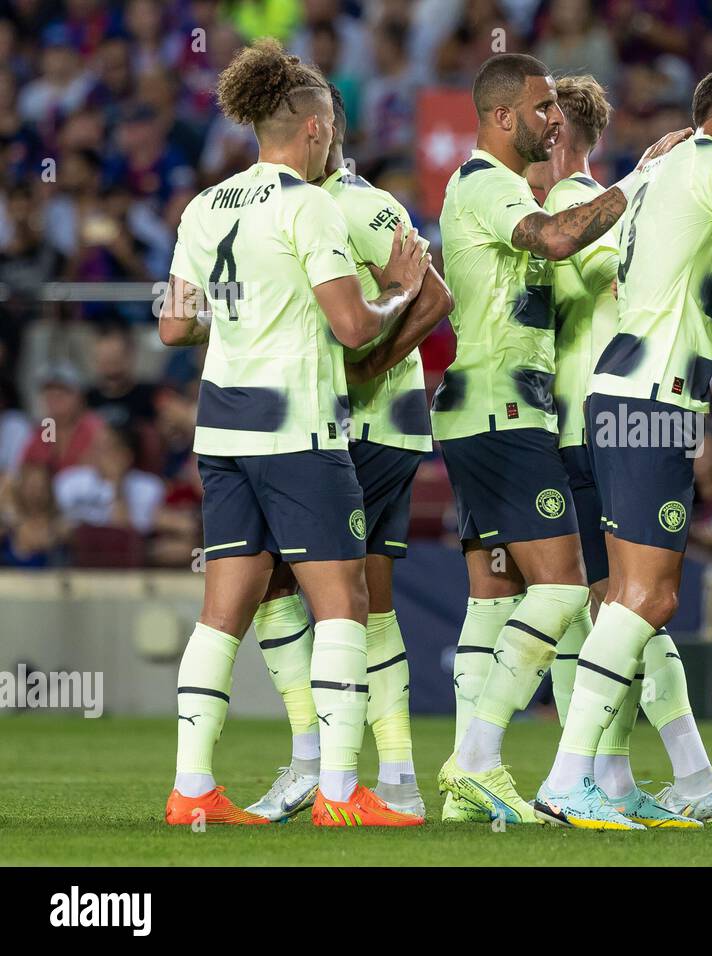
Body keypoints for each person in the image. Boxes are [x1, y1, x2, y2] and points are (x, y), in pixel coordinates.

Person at [158, 38, 429, 828]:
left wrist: (240, 313)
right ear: (314, 130)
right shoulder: (308, 204)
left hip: (221, 431)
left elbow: (176, 327)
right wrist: (398, 292)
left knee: (223, 614)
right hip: (299, 434)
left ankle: (192, 789)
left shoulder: (204, 206)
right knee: (343, 603)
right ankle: (341, 795)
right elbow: (351, 327)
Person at [536, 65, 712, 829]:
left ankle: (632, 780)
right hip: (656, 399)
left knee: (625, 599)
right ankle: (568, 778)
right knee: (651, 598)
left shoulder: (661, 174)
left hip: (621, 394)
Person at [434, 53, 689, 826]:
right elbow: (550, 239)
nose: (555, 119)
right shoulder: (485, 183)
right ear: (505, 116)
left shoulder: (493, 184)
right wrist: (640, 183)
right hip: (503, 412)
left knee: (494, 598)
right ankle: (475, 760)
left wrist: (633, 173)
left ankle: (467, 793)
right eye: (544, 107)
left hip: (490, 410)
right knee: (564, 587)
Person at [243, 81, 454, 823]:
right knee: (357, 603)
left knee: (271, 575)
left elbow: (435, 297)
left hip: (364, 427)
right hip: (339, 425)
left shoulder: (360, 204)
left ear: (327, 129)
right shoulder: (285, 204)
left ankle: (317, 760)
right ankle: (392, 777)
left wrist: (364, 367)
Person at [529, 74, 708, 828]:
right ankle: (619, 775)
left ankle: (646, 773)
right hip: (592, 421)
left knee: (623, 605)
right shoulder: (598, 204)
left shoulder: (599, 210)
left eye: (543, 120)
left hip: (599, 425)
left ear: (565, 130)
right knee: (613, 609)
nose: (531, 134)